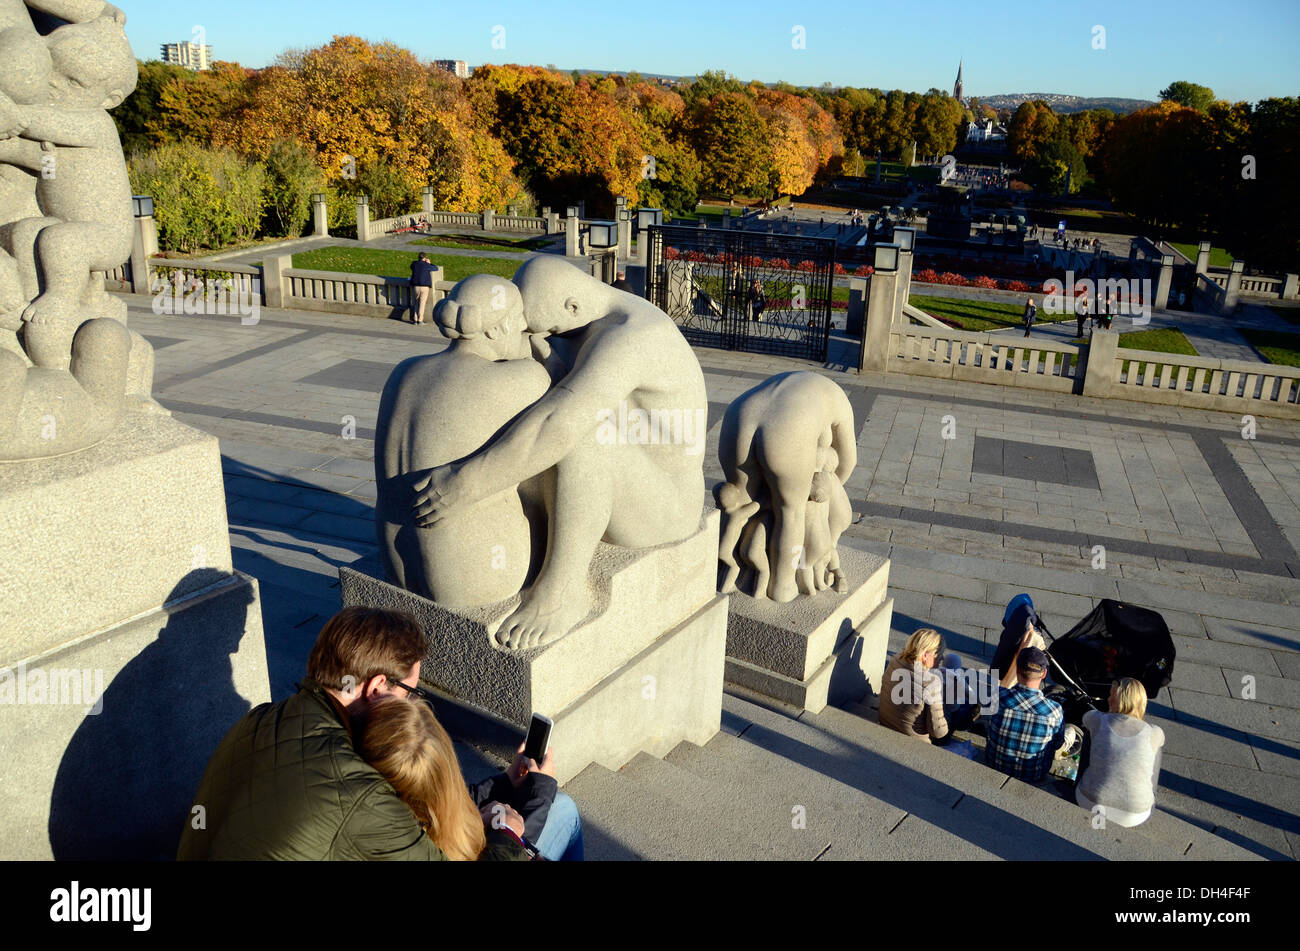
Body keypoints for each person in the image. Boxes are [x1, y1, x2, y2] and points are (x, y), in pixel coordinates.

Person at [178, 606, 548, 860]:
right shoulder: (357, 793)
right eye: (411, 693)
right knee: (561, 815)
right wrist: (509, 834)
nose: (412, 705)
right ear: (377, 687)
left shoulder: (261, 719)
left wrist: (500, 786)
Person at [359, 695, 584, 860]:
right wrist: (536, 797)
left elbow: (456, 801)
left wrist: (503, 783)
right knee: (565, 810)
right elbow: (513, 853)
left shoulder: (377, 807)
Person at [1074, 678, 1165, 827]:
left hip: (1089, 801)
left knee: (1091, 734)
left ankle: (1082, 782)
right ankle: (1143, 797)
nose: (1108, 699)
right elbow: (1161, 739)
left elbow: (1086, 718)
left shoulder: (1098, 719)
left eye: (1113, 695)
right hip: (1133, 816)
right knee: (1155, 749)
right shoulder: (1154, 732)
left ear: (1123, 700)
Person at [985, 641, 1066, 784]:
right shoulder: (1054, 710)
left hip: (993, 765)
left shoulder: (996, 696)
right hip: (1032, 777)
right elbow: (1057, 744)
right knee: (1068, 734)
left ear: (1017, 671)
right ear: (1044, 674)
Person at [878, 629, 948, 743]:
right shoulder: (931, 683)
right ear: (925, 655)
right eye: (938, 654)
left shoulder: (895, 660)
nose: (942, 658)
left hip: (886, 722)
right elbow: (938, 732)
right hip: (914, 742)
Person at [408, 252, 435, 323]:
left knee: (416, 302)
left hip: (416, 286)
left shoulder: (414, 264)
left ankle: (415, 319)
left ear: (418, 257)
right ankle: (420, 320)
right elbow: (435, 268)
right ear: (425, 257)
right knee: (422, 303)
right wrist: (429, 263)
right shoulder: (426, 265)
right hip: (424, 287)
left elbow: (411, 266)